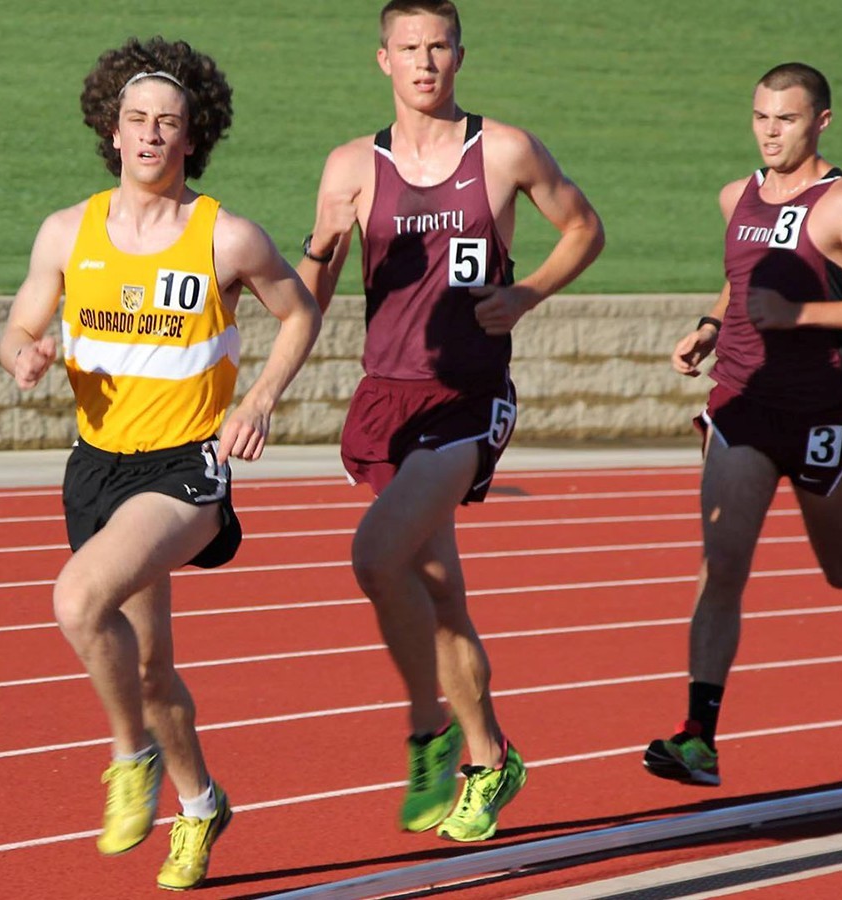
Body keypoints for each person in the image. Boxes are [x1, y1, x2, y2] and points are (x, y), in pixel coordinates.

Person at [0, 36, 321, 890]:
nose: (148, 135)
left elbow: (301, 312)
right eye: (135, 119)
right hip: (96, 467)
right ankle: (201, 802)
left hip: (186, 466)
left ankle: (129, 756)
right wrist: (24, 354)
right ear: (110, 129)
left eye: (167, 123)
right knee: (147, 666)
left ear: (191, 138)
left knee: (76, 599)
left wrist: (256, 403)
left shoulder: (228, 239)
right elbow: (21, 325)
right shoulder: (68, 232)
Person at [296, 0, 603, 842]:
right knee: (439, 599)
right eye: (409, 48)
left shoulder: (501, 149)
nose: (425, 62)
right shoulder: (351, 166)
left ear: (459, 54)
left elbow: (585, 227)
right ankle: (488, 755)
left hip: (469, 400)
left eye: (439, 46)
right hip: (385, 401)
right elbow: (311, 297)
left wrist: (529, 291)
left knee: (373, 556)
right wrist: (317, 251)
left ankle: (426, 728)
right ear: (382, 60)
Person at [646, 62, 842, 787]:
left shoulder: (840, 205)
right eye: (761, 117)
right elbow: (742, 275)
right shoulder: (735, 196)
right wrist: (711, 325)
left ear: (821, 122)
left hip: (818, 417)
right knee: (722, 565)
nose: (772, 132)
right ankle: (698, 737)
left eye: (787, 119)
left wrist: (804, 315)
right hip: (741, 407)